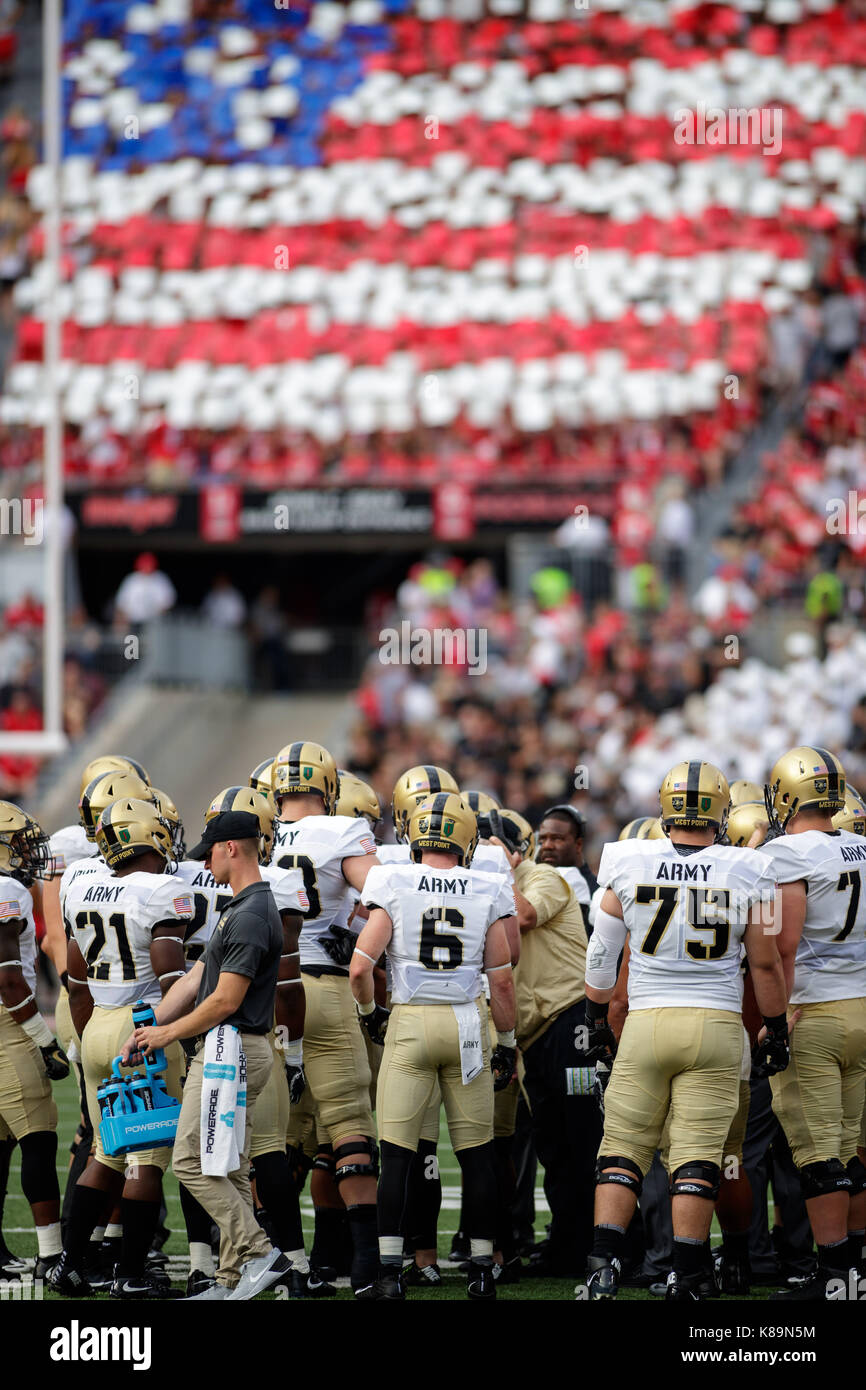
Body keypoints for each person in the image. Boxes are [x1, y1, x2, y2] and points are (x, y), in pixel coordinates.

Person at [584, 760, 788, 1302]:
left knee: (623, 1149)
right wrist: (775, 1027)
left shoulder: (627, 858)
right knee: (700, 1158)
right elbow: (766, 966)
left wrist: (594, 1018)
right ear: (720, 810)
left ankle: (603, 1267)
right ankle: (692, 1275)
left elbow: (602, 954)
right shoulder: (750, 868)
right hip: (717, 1025)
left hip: (647, 1022)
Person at [351, 791, 517, 1300]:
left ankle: (387, 1272)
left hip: (411, 1021)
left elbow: (361, 966)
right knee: (477, 1154)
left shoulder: (392, 880)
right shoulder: (488, 885)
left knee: (398, 1155)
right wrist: (507, 1042)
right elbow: (504, 981)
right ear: (466, 839)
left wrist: (368, 1013)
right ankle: (483, 1267)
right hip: (468, 1023)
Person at [129, 805, 291, 1301]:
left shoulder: (251, 912)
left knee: (191, 1161)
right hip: (236, 1047)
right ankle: (228, 1279)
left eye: (209, 853)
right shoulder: (243, 906)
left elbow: (225, 1000)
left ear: (231, 848)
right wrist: (149, 1026)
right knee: (229, 1167)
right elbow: (200, 976)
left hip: (231, 1048)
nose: (203, 865)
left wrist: (167, 1033)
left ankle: (261, 1254)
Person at [50, 796, 191, 1299]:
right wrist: (182, 1029)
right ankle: (130, 1274)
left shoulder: (81, 882)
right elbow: (170, 973)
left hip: (98, 1024)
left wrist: (89, 1035)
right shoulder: (161, 889)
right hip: (144, 1025)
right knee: (144, 1160)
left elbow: (75, 974)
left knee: (105, 1150)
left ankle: (67, 1263)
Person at [271, 740, 381, 1295]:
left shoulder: (255, 832)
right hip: (326, 983)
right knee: (347, 1120)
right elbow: (386, 894)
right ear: (328, 786)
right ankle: (364, 1268)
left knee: (275, 1132)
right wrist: (354, 931)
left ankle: (279, 1260)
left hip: (269, 991)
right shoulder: (342, 831)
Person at [761, 746, 866, 1300]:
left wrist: (776, 1022)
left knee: (821, 1152)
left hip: (816, 1011)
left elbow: (782, 947)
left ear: (784, 794)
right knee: (851, 1146)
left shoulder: (785, 854)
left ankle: (831, 1276)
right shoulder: (863, 847)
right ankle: (857, 1267)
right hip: (862, 1007)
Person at [501, 816, 600, 1277]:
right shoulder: (487, 885)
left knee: (582, 1140)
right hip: (535, 1034)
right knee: (553, 1146)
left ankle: (597, 1245)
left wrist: (497, 870)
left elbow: (523, 916)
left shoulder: (546, 877)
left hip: (570, 1024)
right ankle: (567, 1242)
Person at [0, 803, 67, 1278]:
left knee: (0, 1144)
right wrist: (44, 1040)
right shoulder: (6, 889)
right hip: (9, 1024)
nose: (27, 853)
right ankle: (50, 1256)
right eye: (19, 843)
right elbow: (7, 977)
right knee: (39, 1141)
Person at [114, 553, 176, 628]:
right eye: (144, 567)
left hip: (155, 624)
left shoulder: (161, 579)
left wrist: (158, 616)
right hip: (134, 622)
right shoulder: (131, 580)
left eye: (149, 567)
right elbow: (121, 604)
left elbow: (168, 602)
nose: (146, 570)